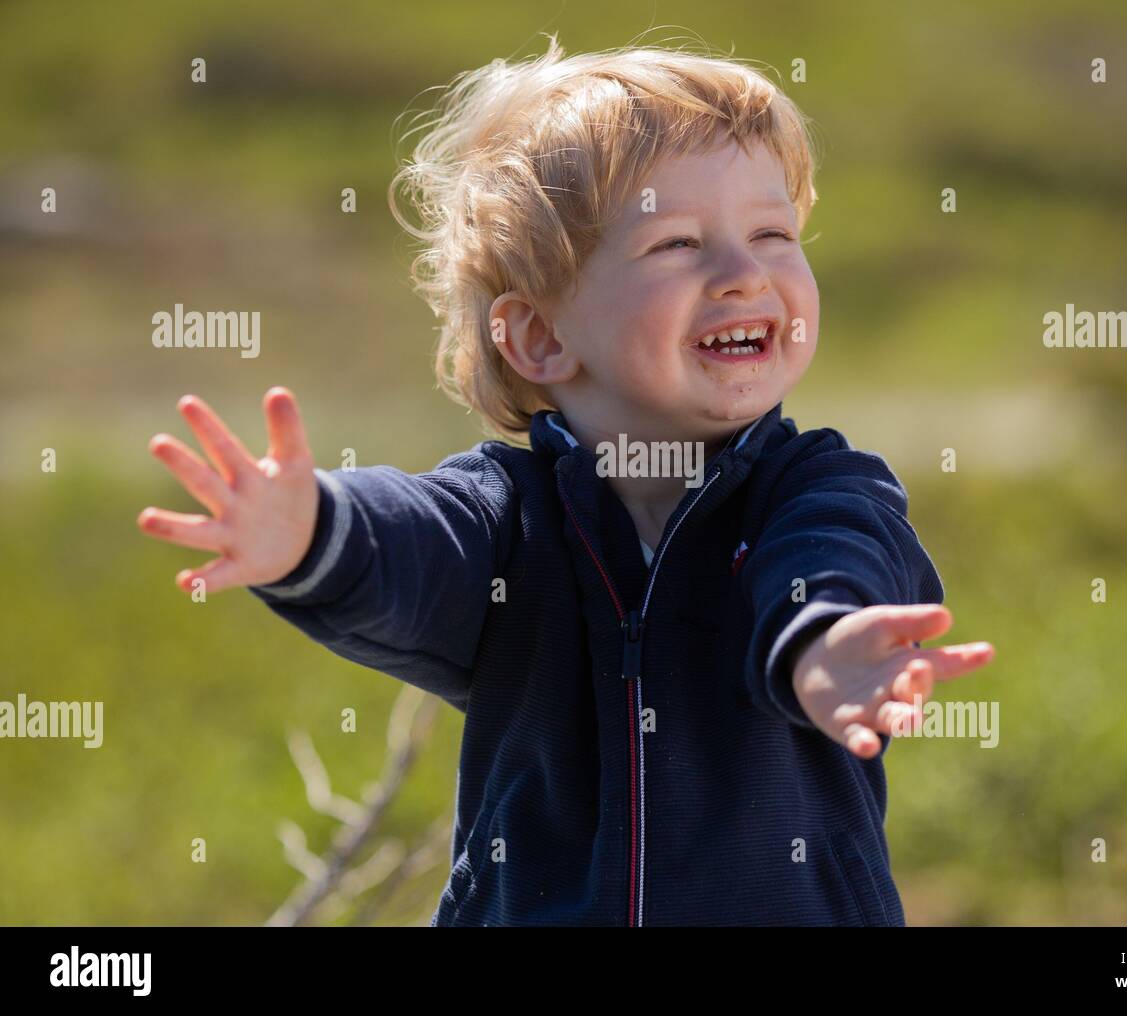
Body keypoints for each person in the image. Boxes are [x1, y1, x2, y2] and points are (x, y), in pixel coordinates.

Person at [137, 36, 994, 926]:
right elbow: (415, 539)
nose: (744, 275)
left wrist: (820, 644)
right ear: (543, 337)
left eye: (772, 233)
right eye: (677, 243)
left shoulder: (818, 483)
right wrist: (313, 529)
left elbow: (828, 558)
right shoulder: (508, 519)